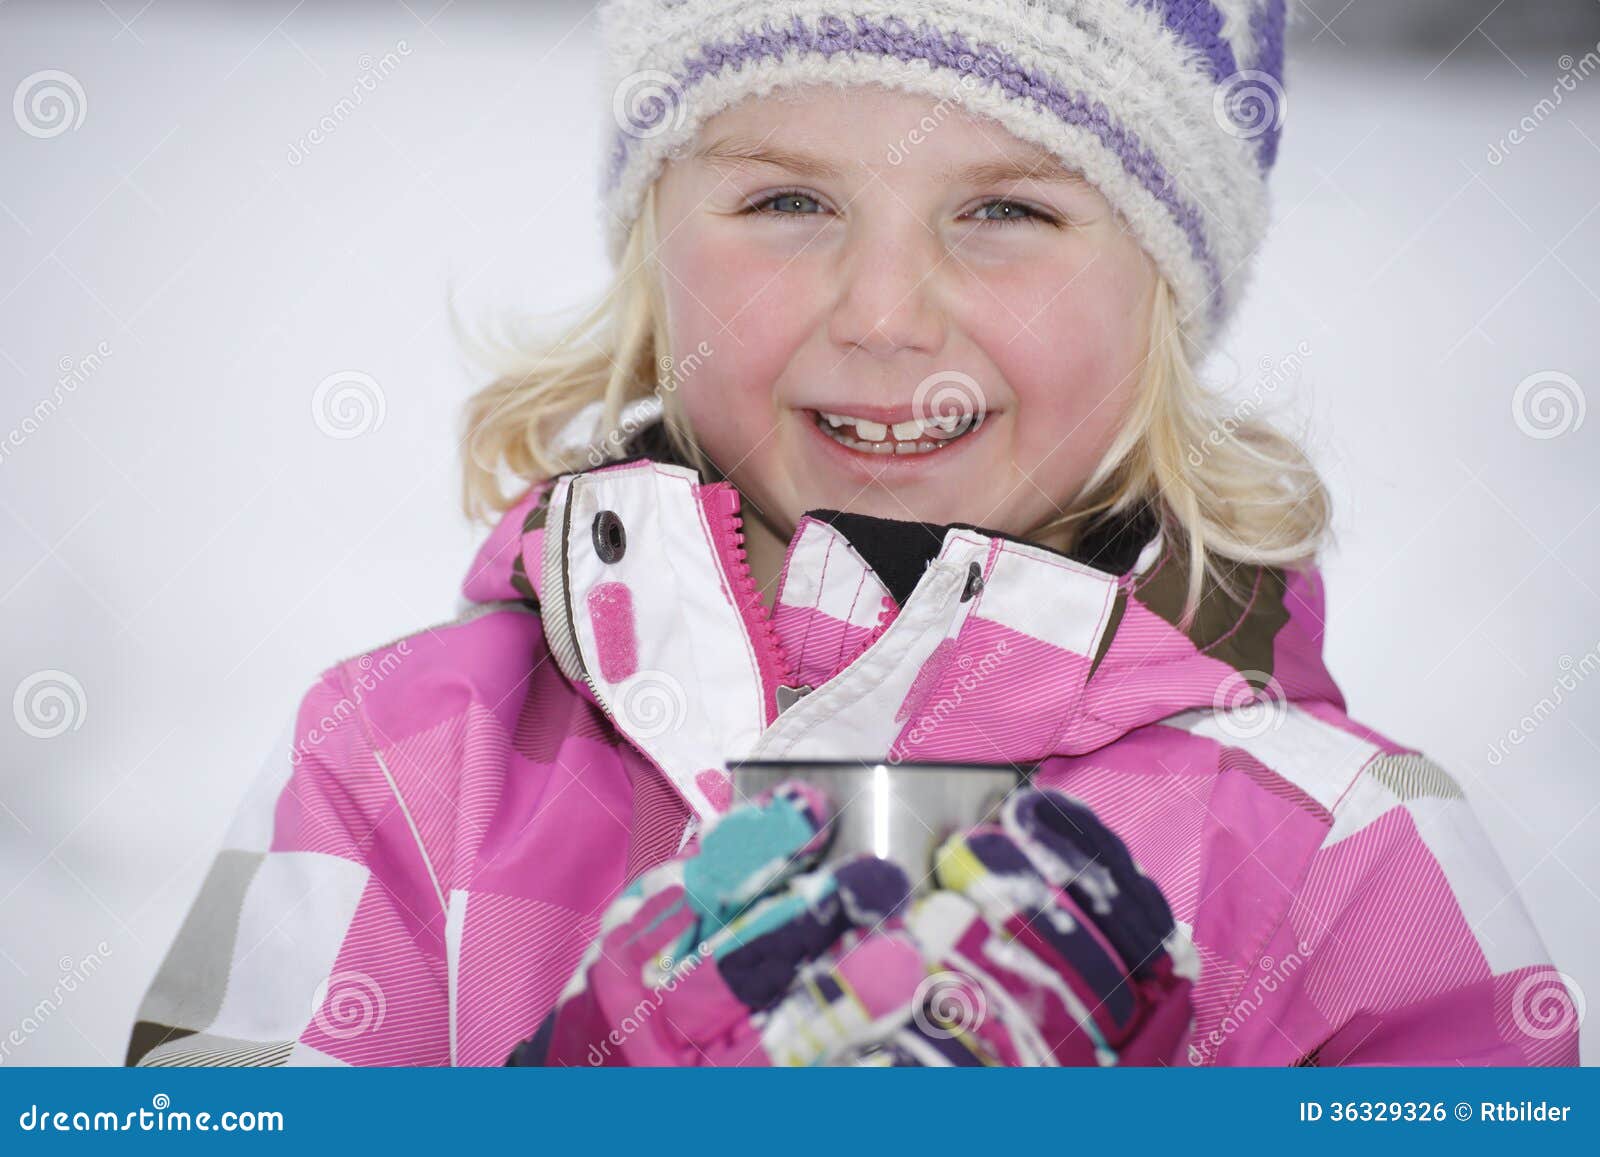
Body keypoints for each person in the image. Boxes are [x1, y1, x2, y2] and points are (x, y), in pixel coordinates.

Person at [126, 0, 1579, 1067]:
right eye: (789, 198)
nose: (885, 312)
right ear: (653, 251)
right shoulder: (406, 760)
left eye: (1007, 206)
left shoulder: (1342, 851)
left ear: (1165, 295)